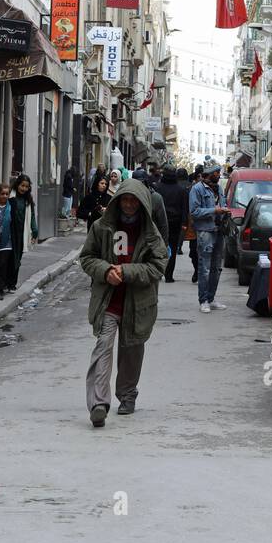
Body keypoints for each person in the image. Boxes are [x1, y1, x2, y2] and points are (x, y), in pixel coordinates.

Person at [78, 178, 168, 427]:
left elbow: (158, 266)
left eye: (133, 201)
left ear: (141, 204)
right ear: (118, 201)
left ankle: (127, 395)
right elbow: (87, 257)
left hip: (138, 305)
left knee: (132, 352)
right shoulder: (101, 227)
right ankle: (98, 403)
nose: (128, 204)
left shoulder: (151, 235)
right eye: (125, 199)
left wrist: (127, 271)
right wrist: (106, 271)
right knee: (103, 349)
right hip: (108, 301)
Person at [190, 163, 230, 313]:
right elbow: (194, 212)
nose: (219, 174)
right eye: (217, 172)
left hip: (219, 230)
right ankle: (204, 300)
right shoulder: (197, 189)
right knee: (204, 268)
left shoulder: (218, 188)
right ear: (210, 173)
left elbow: (223, 203)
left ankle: (211, 298)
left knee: (216, 268)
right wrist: (215, 210)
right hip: (205, 231)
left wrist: (225, 211)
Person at [6, 174, 40, 292]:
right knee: (8, 258)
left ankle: (12, 283)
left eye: (26, 186)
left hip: (21, 233)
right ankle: (5, 282)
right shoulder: (10, 196)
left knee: (17, 259)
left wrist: (35, 231)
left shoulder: (28, 201)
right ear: (17, 185)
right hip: (10, 232)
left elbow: (31, 217)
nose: (24, 188)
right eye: (22, 185)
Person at [156, 166, 190, 283]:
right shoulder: (180, 190)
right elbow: (185, 207)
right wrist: (184, 223)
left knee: (158, 248)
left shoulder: (157, 187)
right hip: (175, 223)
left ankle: (158, 272)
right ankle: (169, 275)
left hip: (159, 223)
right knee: (172, 249)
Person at [134, 167, 170, 239]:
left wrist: (163, 245)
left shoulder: (155, 198)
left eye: (141, 183)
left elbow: (163, 224)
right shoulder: (129, 197)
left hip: (151, 241)